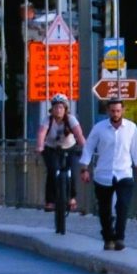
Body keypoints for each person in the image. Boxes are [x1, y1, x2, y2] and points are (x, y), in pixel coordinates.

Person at [77, 95, 137, 250]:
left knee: (123, 205)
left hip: (124, 173)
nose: (115, 114)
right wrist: (84, 169)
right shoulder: (99, 128)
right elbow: (88, 148)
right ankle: (108, 237)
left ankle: (120, 237)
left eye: (118, 111)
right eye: (112, 111)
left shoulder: (131, 128)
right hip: (104, 174)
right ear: (108, 111)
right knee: (104, 209)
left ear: (123, 111)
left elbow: (136, 152)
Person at [34, 95, 83, 234]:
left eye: (61, 107)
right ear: (52, 109)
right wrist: (39, 146)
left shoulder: (71, 119)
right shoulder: (48, 120)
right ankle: (50, 201)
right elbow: (41, 134)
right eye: (55, 107)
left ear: (65, 109)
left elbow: (79, 134)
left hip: (70, 148)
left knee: (72, 171)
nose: (58, 110)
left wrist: (85, 148)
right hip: (52, 149)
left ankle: (72, 197)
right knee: (52, 169)